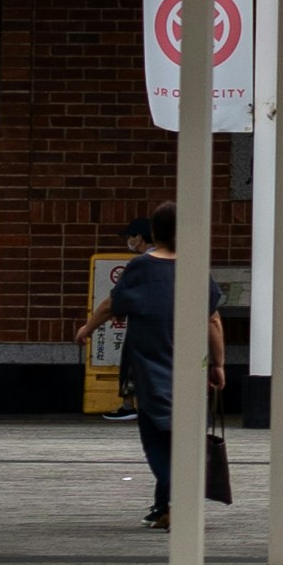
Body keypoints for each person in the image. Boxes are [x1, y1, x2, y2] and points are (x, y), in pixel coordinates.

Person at [87, 206, 224, 534]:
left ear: (154, 232)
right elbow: (213, 320)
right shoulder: (196, 268)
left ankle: (179, 499)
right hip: (191, 366)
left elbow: (111, 304)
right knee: (183, 438)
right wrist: (218, 364)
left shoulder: (141, 267)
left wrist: (87, 328)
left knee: (156, 438)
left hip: (150, 366)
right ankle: (164, 507)